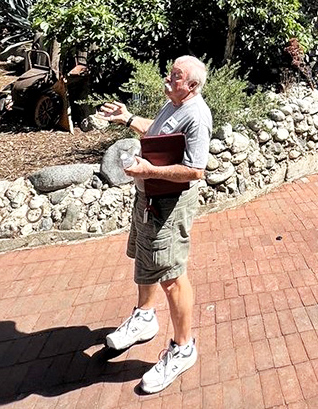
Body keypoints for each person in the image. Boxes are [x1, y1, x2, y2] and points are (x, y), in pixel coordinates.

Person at [99, 55, 211, 394]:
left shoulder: (196, 115)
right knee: (146, 260)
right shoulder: (173, 104)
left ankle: (183, 348)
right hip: (150, 200)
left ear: (191, 85)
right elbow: (158, 135)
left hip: (170, 206)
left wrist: (150, 171)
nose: (169, 77)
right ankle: (145, 317)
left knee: (172, 276)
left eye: (176, 75)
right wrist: (128, 118)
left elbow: (195, 170)